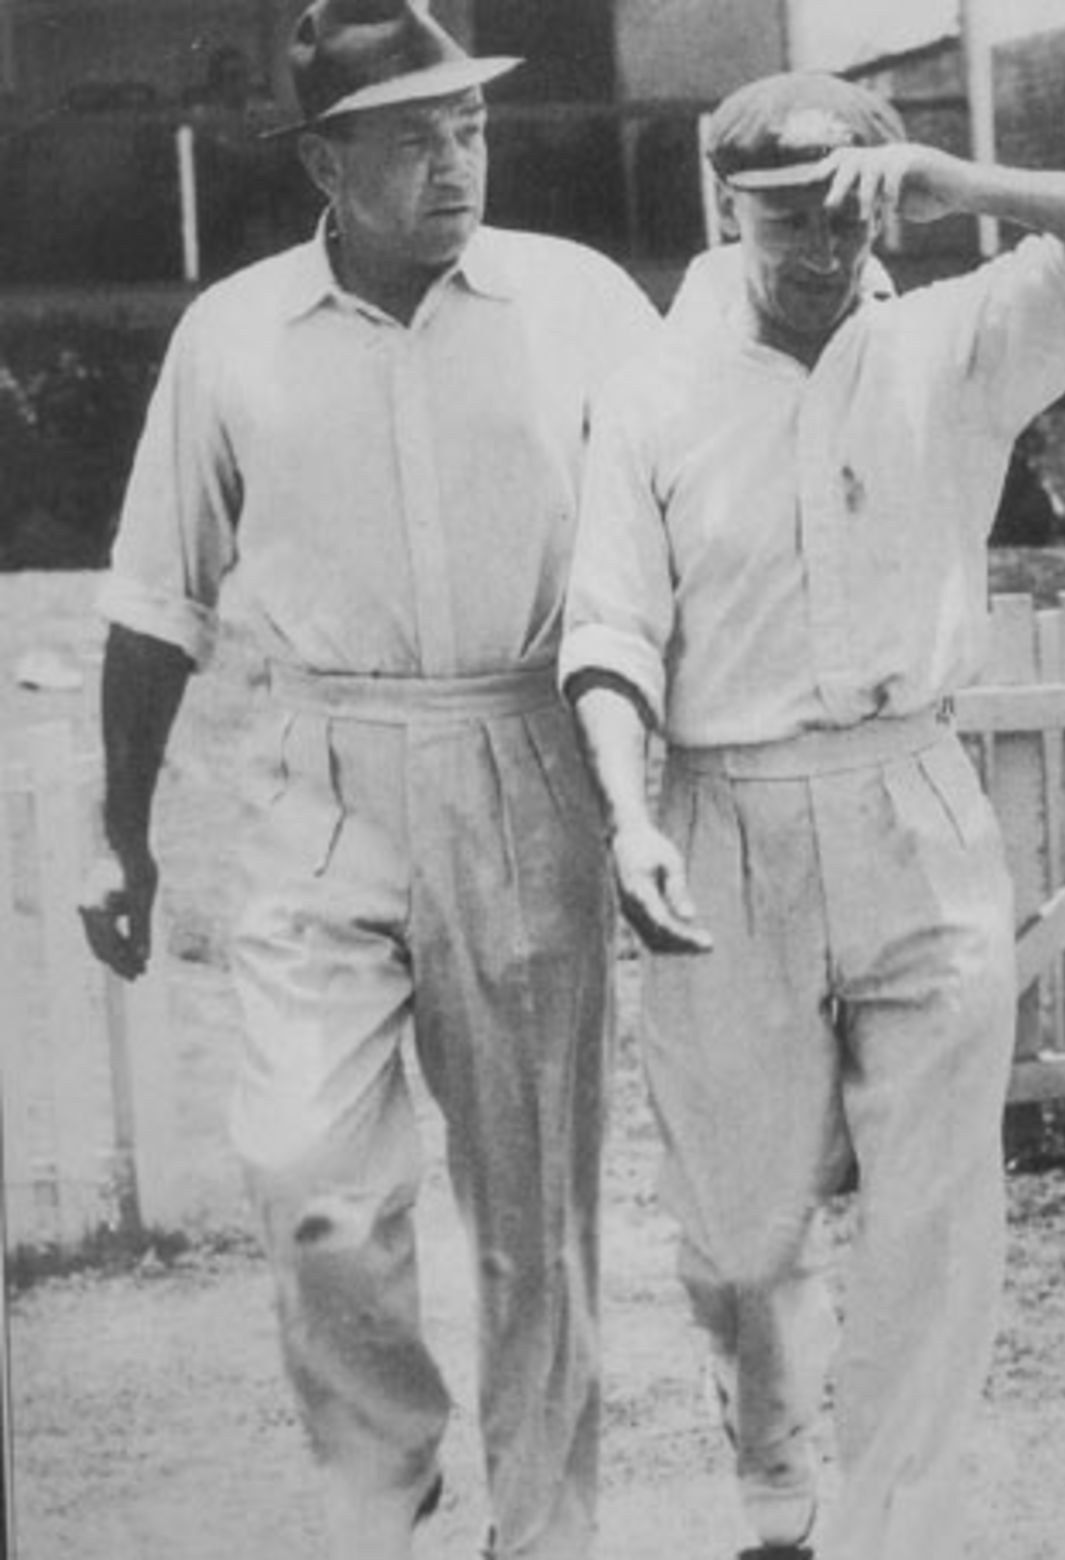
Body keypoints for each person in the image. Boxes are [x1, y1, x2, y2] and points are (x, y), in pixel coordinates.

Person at [559, 71, 1065, 1560]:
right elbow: (607, 632)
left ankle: (901, 1530)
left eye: (850, 203)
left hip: (913, 799)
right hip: (725, 817)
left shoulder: (951, 343)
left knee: (934, 1218)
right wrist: (626, 815)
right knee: (737, 1232)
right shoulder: (653, 394)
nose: (824, 239)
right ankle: (776, 1491)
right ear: (729, 208)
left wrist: (958, 183)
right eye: (788, 210)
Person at [77, 3, 659, 1558]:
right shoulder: (233, 338)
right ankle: (379, 1502)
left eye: (467, 123)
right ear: (325, 162)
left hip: (527, 758)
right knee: (308, 1174)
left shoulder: (583, 304)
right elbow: (155, 601)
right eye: (408, 134)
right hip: (319, 779)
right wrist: (118, 836)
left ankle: (543, 1533)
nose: (452, 157)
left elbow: (683, 529)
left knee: (537, 1217)